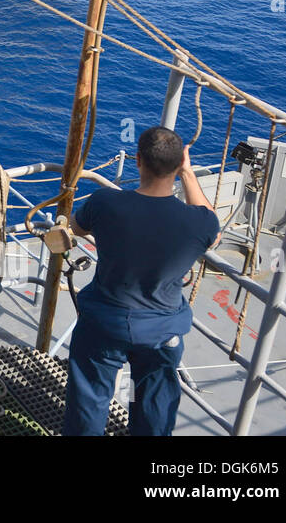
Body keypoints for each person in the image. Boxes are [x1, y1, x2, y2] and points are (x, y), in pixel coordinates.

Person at [59, 126, 219, 436]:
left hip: (104, 324)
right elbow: (210, 224)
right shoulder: (199, 223)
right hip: (163, 330)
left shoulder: (105, 203)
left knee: (89, 402)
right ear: (178, 165)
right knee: (155, 407)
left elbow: (76, 228)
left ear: (138, 161)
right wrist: (187, 173)